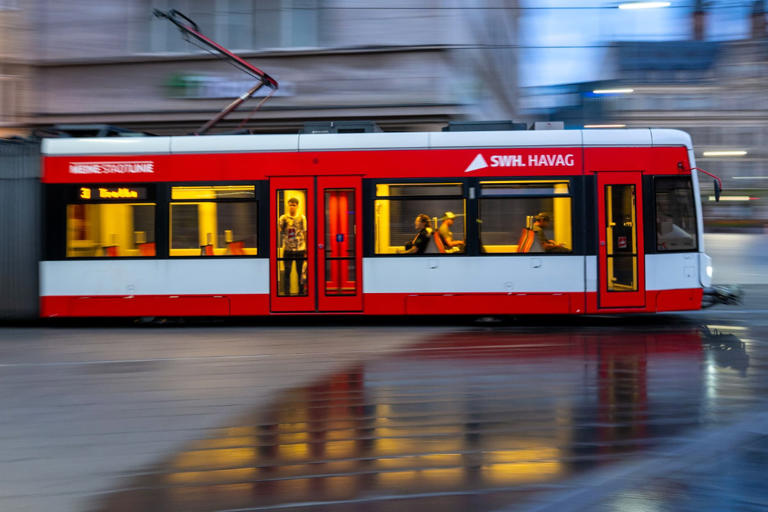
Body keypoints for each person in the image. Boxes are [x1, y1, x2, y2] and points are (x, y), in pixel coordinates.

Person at [278, 197, 307, 295]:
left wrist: (306, 249)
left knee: (300, 272)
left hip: (300, 249)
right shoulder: (283, 218)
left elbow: (305, 233)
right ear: (287, 205)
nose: (292, 207)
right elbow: (278, 230)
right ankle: (287, 293)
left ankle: (301, 293)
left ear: (297, 206)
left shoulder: (302, 218)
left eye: (294, 205)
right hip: (288, 249)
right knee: (287, 272)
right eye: (290, 205)